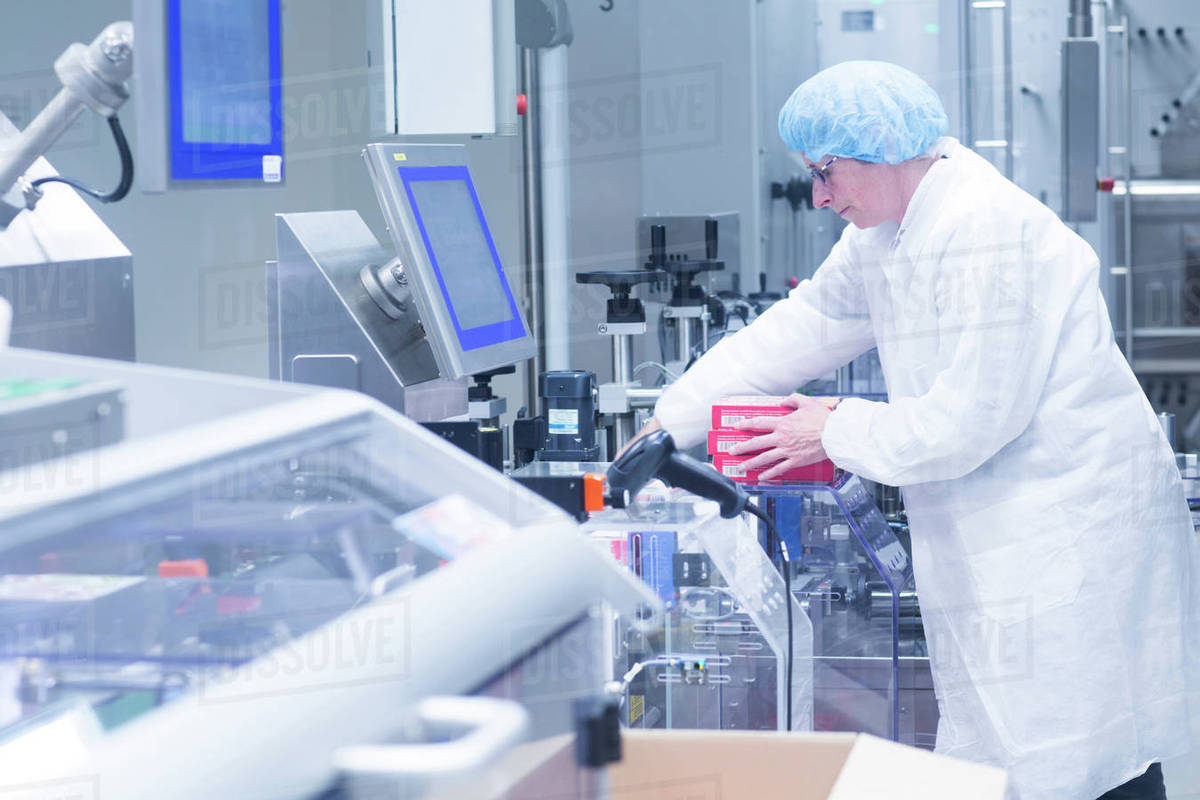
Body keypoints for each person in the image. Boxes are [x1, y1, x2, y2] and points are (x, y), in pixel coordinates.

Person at [634, 61, 1200, 800]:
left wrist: (832, 428)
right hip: (1002, 545)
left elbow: (967, 424)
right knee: (1030, 752)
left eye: (826, 173)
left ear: (880, 150)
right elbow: (798, 331)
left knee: (1088, 753)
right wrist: (665, 425)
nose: (819, 196)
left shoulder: (991, 234)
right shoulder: (890, 233)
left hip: (1068, 539)